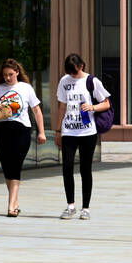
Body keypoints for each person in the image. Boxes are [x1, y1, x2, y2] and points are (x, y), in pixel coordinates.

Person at [0, 58, 46, 216]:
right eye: (5, 75)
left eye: (11, 74)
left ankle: (11, 205)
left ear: (18, 72)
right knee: (7, 167)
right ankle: (15, 201)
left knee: (15, 165)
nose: (8, 78)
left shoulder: (25, 88)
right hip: (2, 130)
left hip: (21, 130)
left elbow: (37, 110)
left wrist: (41, 131)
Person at [54, 53, 110, 219]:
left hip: (87, 132)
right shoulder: (64, 81)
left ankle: (86, 208)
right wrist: (57, 131)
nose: (72, 75)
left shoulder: (92, 81)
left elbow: (106, 103)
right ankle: (70, 205)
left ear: (82, 66)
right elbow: (62, 107)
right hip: (69, 131)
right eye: (70, 72)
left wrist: (92, 107)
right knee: (67, 167)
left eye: (75, 71)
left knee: (85, 169)